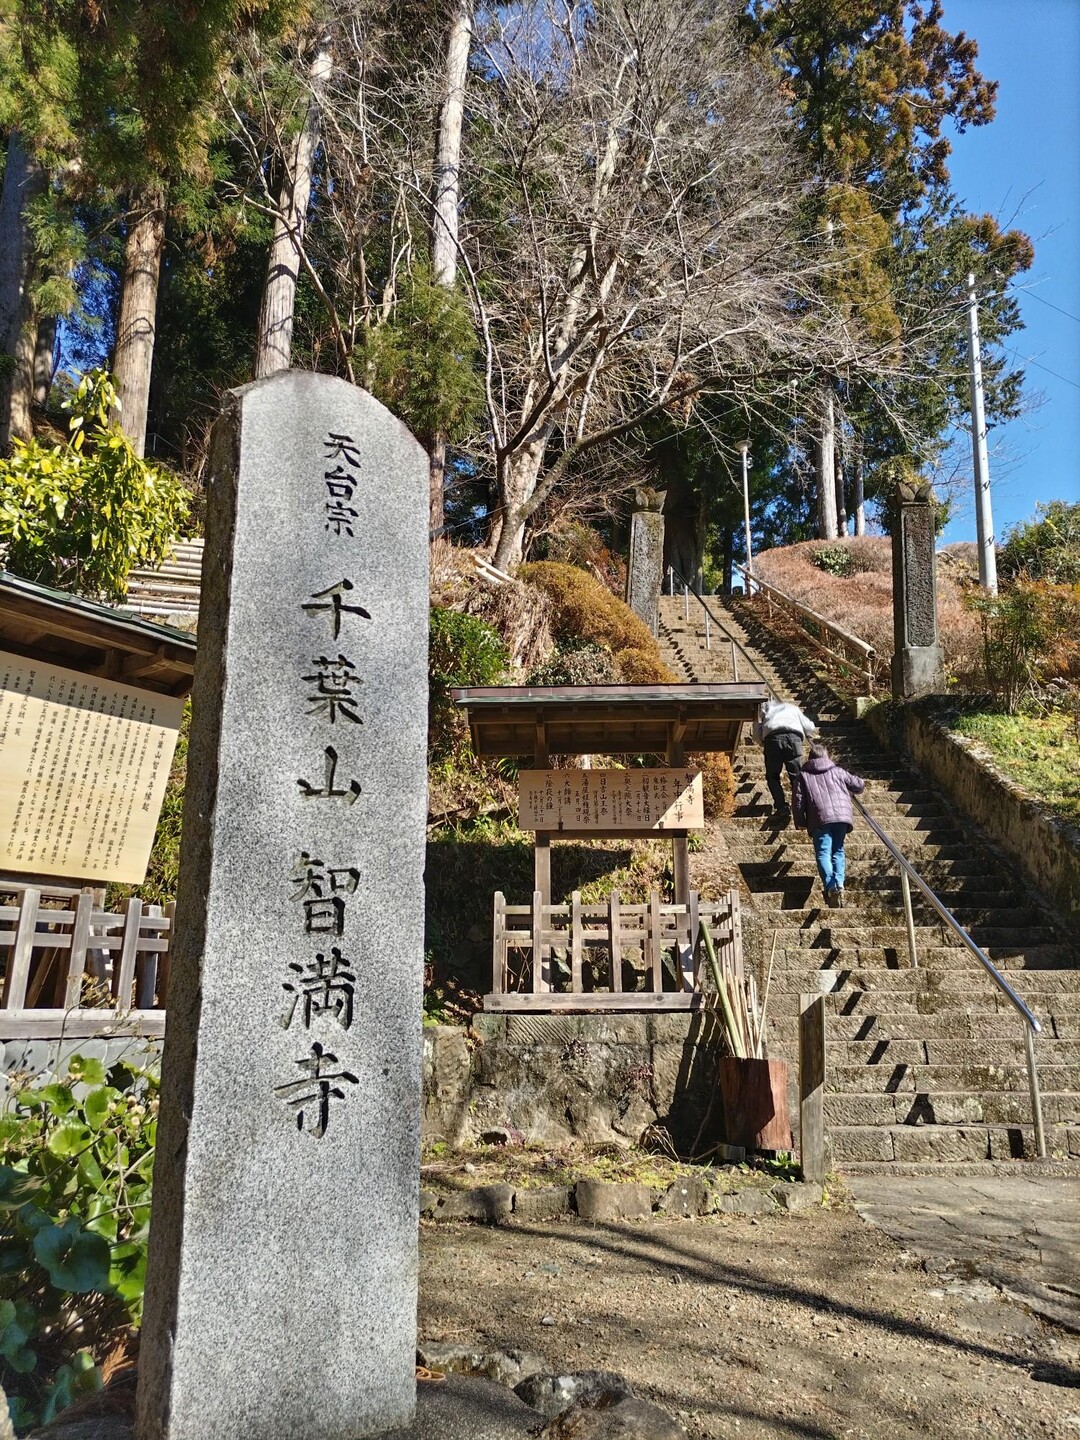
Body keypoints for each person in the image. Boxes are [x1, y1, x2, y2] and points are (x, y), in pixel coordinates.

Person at [791, 742, 865, 909]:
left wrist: (801, 822)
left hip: (819, 819)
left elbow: (798, 801)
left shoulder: (803, 775)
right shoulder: (837, 771)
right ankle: (839, 883)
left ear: (809, 758)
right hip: (841, 817)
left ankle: (831, 887)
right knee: (838, 850)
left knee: (824, 852)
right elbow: (858, 785)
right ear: (826, 756)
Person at [752, 697, 817, 820]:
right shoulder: (793, 708)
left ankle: (781, 807)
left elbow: (756, 730)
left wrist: (762, 742)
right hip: (794, 739)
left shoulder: (764, 709)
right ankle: (802, 807)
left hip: (772, 739)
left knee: (773, 775)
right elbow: (809, 727)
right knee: (797, 776)